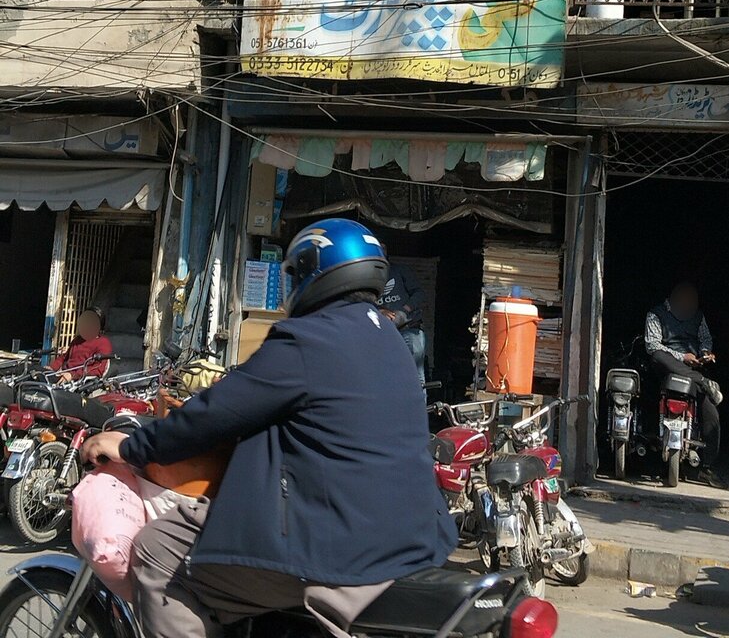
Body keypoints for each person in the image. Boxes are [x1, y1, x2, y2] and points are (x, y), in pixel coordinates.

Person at [82, 219, 456, 638]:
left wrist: (134, 446)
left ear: (311, 270)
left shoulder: (307, 339)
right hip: (412, 534)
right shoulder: (387, 337)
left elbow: (216, 413)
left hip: (339, 545)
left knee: (157, 548)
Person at [645, 283, 724, 487]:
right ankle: (702, 382)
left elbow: (705, 338)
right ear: (673, 298)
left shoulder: (697, 316)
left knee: (711, 412)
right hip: (668, 366)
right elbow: (652, 344)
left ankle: (707, 468)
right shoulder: (656, 314)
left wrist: (705, 353)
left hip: (693, 367)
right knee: (657, 355)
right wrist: (682, 357)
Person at [376, 252, 427, 387]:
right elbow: (360, 301)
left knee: (416, 377)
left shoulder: (399, 270)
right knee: (385, 375)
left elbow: (419, 293)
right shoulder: (367, 276)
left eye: (384, 248)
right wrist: (379, 310)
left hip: (409, 329)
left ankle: (418, 408)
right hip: (383, 334)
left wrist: (405, 310)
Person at [51, 307, 112, 382]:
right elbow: (64, 358)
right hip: (63, 374)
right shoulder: (77, 340)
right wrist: (51, 368)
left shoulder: (103, 343)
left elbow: (98, 369)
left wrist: (72, 375)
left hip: (80, 381)